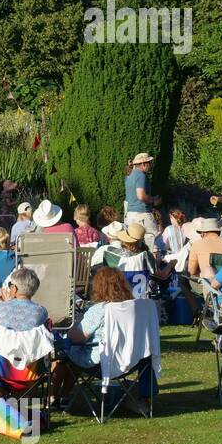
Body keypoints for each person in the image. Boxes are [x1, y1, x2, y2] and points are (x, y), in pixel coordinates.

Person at [56, 267, 147, 406]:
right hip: (131, 359)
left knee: (64, 353)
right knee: (75, 353)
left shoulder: (100, 309)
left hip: (101, 361)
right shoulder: (134, 307)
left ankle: (53, 397)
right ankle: (63, 395)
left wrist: (76, 323)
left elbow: (76, 337)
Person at [124, 153, 162, 240]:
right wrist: (154, 200)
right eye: (149, 162)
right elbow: (141, 195)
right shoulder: (141, 175)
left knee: (134, 244)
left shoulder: (129, 176)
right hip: (142, 215)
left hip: (130, 215)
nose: (151, 165)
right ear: (143, 164)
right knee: (154, 243)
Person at [186, 217, 222, 281]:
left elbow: (192, 271)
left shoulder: (197, 244)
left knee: (183, 278)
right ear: (219, 232)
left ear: (203, 233)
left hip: (208, 286)